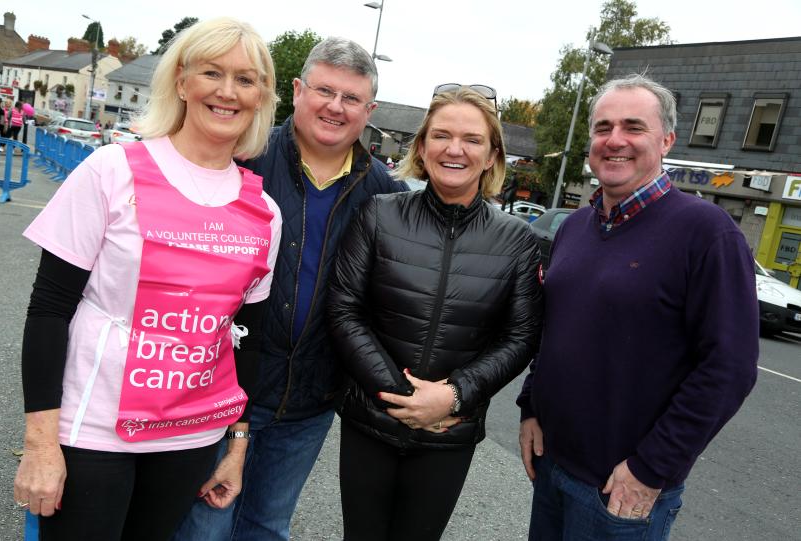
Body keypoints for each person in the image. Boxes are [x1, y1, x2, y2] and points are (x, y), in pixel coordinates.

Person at [12, 17, 281, 540]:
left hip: (189, 438)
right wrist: (41, 445)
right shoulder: (110, 171)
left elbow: (246, 336)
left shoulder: (264, 211)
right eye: (212, 73)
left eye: (246, 80)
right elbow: (48, 310)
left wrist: (236, 446)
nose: (227, 92)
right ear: (181, 81)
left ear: (261, 97)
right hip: (95, 431)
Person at [175, 37, 407, 541]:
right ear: (297, 91)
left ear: (369, 111)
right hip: (217, 387)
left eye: (351, 99)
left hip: (309, 400)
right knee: (202, 526)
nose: (335, 107)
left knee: (267, 526)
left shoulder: (386, 196)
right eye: (324, 90)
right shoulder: (242, 158)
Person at [517, 74, 759, 541]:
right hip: (551, 469)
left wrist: (652, 468)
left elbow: (728, 369)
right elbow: (557, 333)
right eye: (603, 127)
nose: (615, 141)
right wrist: (531, 406)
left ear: (666, 139)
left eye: (633, 127)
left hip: (619, 489)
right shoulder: (576, 227)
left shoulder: (707, 233)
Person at [328, 85, 544, 541]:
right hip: (372, 422)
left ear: (491, 156)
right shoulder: (378, 215)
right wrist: (404, 400)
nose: (455, 149)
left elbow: (521, 336)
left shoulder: (517, 240)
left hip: (450, 433)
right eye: (442, 135)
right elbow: (345, 310)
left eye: (472, 139)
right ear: (422, 147)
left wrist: (453, 396)